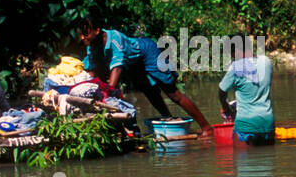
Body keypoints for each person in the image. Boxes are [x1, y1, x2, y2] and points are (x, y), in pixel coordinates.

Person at [78, 13, 212, 134]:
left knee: (173, 94)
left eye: (85, 34)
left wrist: (108, 91)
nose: (82, 37)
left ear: (97, 31)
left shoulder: (114, 39)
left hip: (148, 52)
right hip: (134, 63)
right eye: (81, 33)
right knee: (149, 92)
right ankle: (167, 118)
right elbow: (93, 70)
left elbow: (117, 68)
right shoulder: (92, 46)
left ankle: (206, 127)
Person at [218, 37, 275, 145]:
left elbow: (221, 92)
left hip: (246, 125)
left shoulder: (236, 67)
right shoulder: (266, 61)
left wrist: (226, 108)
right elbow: (255, 90)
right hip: (267, 123)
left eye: (232, 54)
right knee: (268, 160)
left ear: (238, 51)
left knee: (242, 161)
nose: (233, 57)